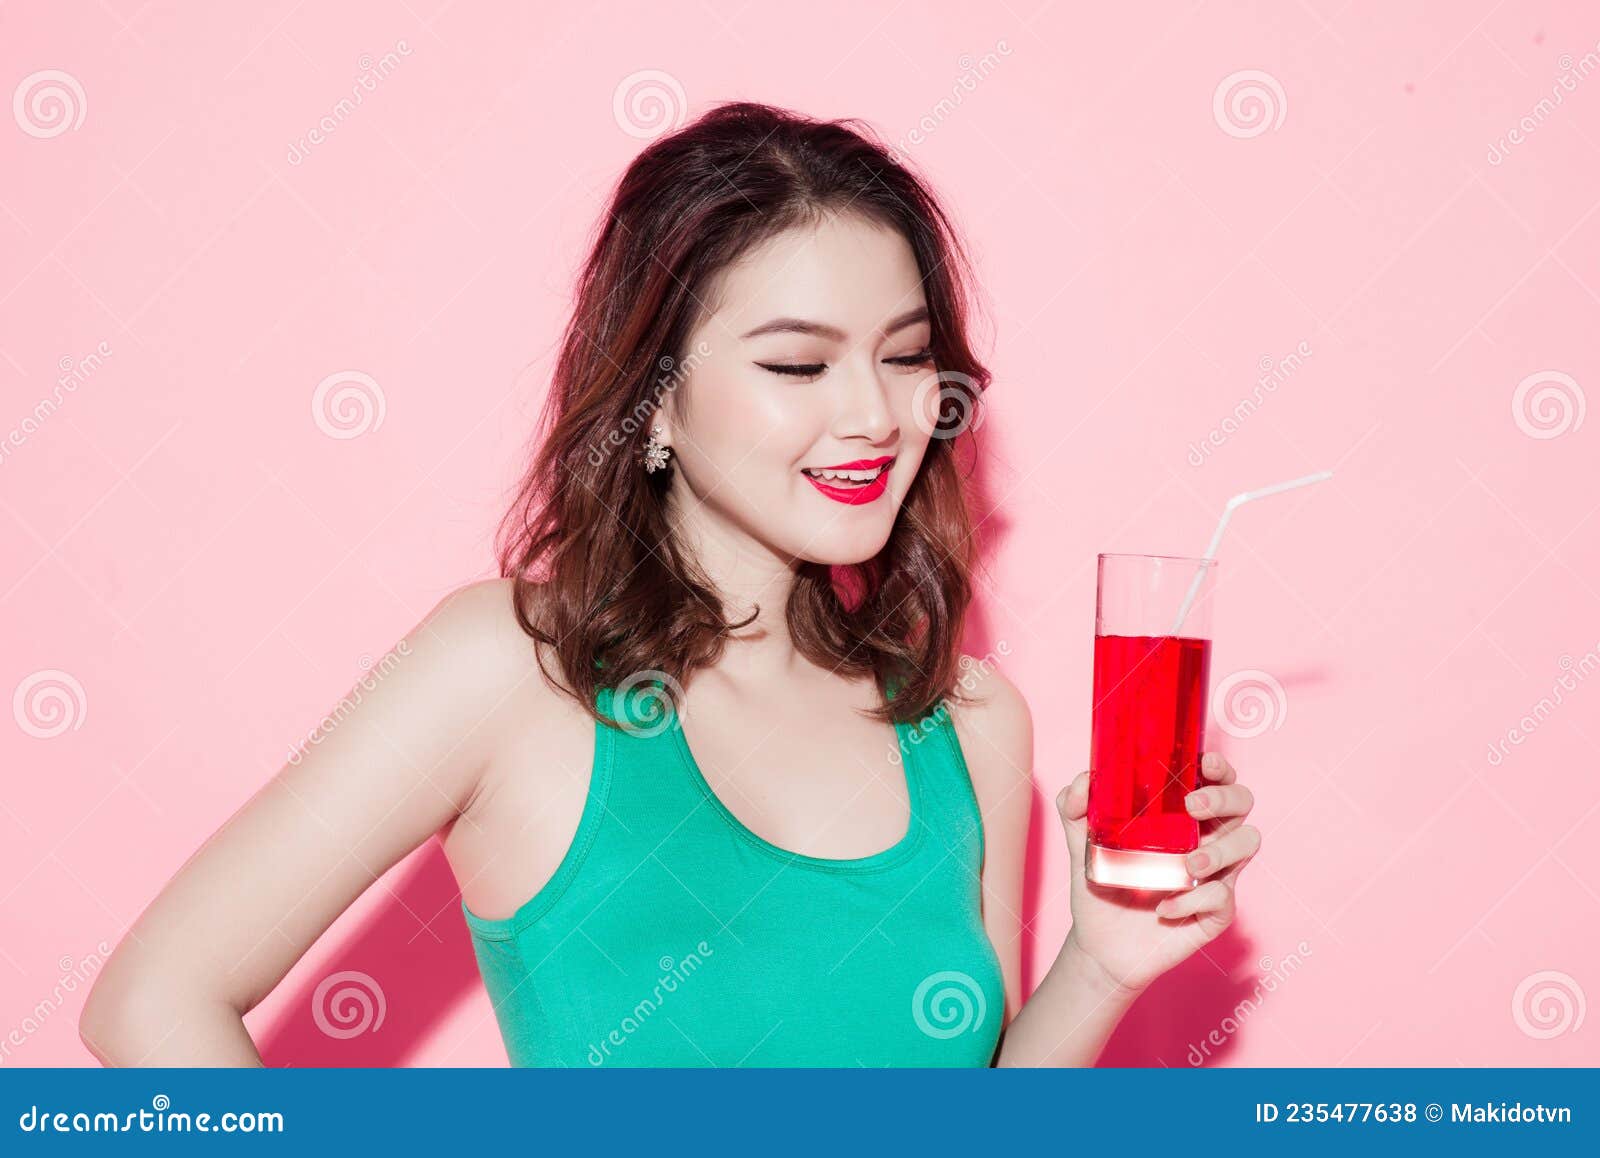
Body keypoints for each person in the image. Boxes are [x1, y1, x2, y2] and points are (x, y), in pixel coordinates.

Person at [80, 100, 1260, 1068]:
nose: (876, 413)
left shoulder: (970, 723)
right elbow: (153, 1001)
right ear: (656, 398)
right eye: (798, 362)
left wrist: (1100, 964)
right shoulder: (513, 668)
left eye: (907, 358)